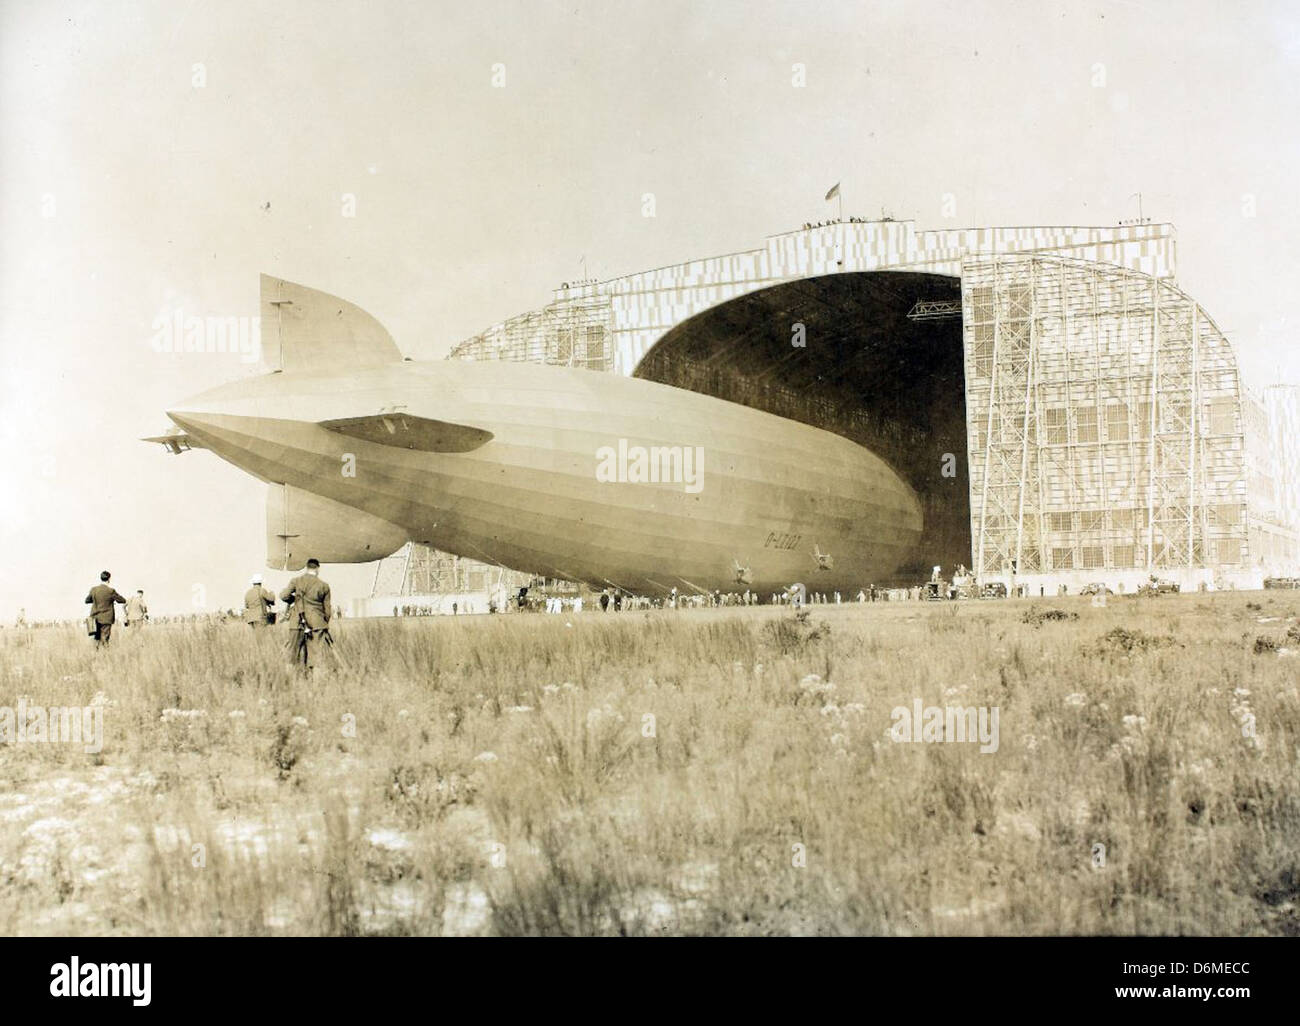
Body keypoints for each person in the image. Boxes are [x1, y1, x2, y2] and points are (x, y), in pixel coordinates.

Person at [279, 558, 333, 669]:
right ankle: (315, 682)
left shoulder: (296, 581)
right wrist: (324, 622)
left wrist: (294, 600)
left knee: (292, 655)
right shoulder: (324, 585)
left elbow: (283, 595)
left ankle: (291, 681)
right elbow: (327, 610)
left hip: (297, 621)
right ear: (317, 569)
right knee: (316, 656)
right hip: (317, 623)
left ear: (306, 568)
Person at [85, 570, 127, 646]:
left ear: (101, 578)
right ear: (109, 579)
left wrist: (96, 600)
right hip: (106, 618)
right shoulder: (111, 591)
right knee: (105, 638)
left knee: (96, 638)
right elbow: (122, 600)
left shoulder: (93, 589)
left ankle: (96, 655)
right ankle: (105, 655)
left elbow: (87, 600)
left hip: (95, 618)